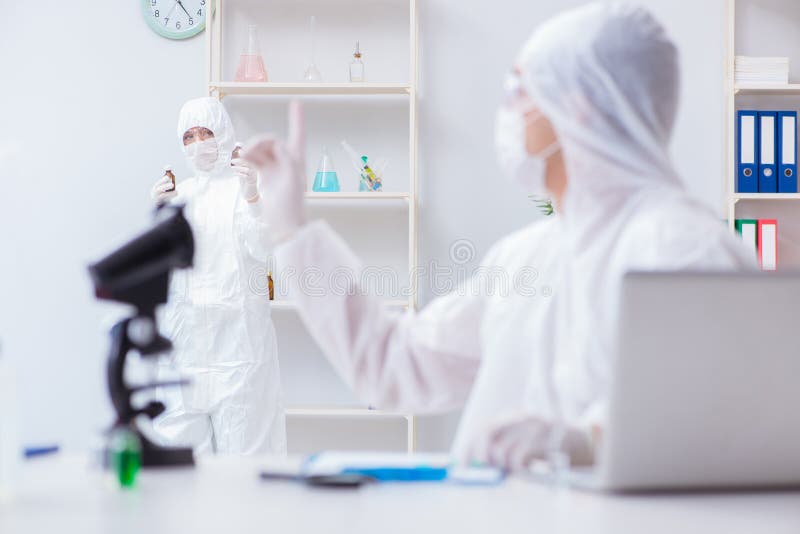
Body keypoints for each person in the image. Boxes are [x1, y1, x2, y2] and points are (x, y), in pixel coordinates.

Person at [244, 3, 755, 471]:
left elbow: (719, 421)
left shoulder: (685, 248)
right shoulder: (527, 257)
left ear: (578, 106)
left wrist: (590, 443)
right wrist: (294, 230)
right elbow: (394, 365)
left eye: (520, 91)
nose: (507, 111)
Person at [150, 97, 285, 455]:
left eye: (206, 132)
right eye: (188, 137)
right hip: (187, 352)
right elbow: (161, 270)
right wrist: (159, 218)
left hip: (239, 352)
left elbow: (267, 249)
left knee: (243, 466)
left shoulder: (247, 186)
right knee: (183, 473)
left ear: (224, 132)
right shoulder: (182, 195)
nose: (198, 144)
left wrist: (254, 196)